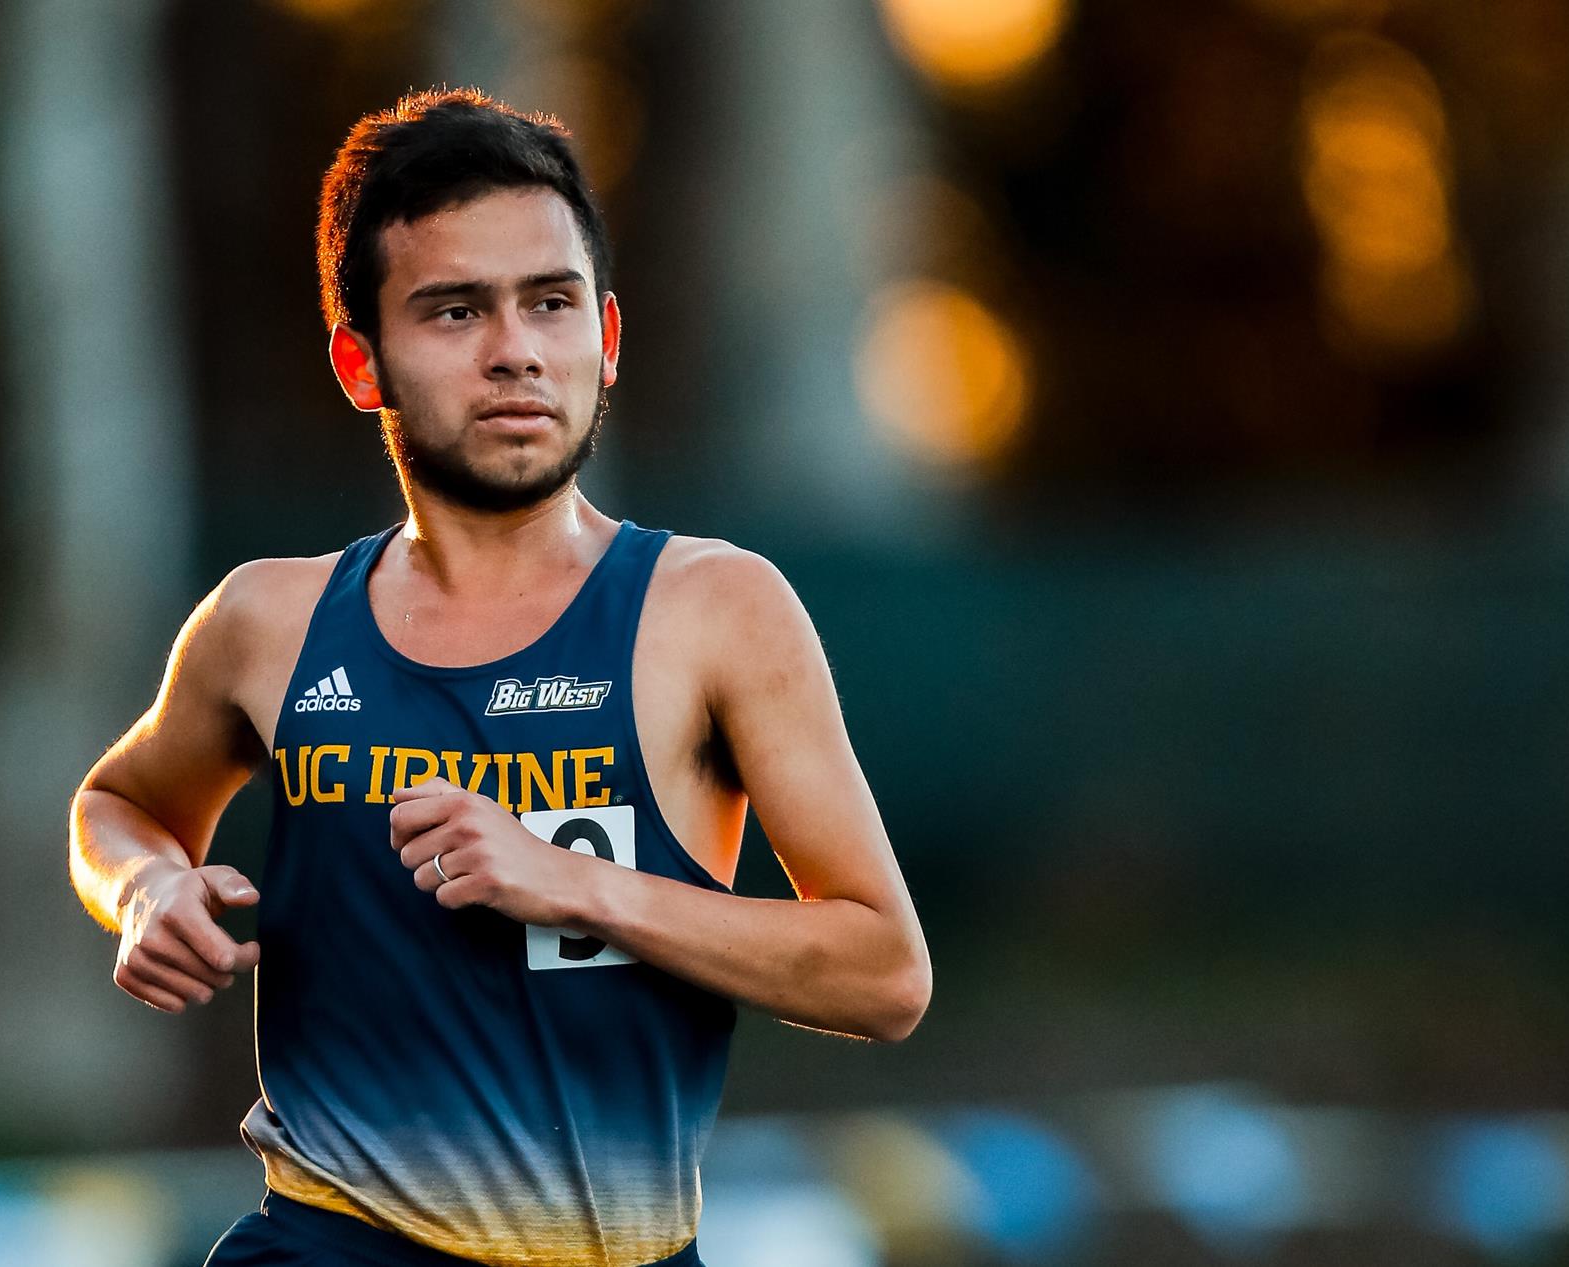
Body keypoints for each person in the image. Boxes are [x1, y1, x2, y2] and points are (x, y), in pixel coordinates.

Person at [69, 87, 932, 1267]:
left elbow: (883, 974)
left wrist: (578, 884)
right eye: (454, 310)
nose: (515, 349)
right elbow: (117, 807)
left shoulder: (716, 609)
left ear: (606, 340)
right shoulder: (267, 621)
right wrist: (145, 893)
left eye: (549, 302)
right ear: (360, 364)